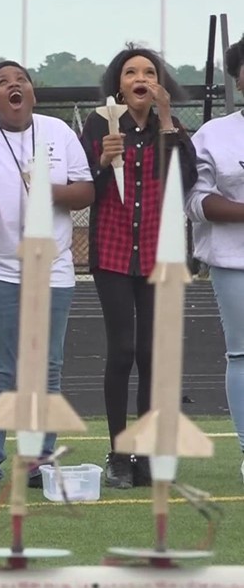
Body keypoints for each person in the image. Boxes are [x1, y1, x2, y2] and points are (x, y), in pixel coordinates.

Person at [0, 61, 95, 492]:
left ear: (33, 94)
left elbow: (86, 190)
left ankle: (39, 460)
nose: (14, 86)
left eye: (21, 81)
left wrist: (50, 191)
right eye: (2, 83)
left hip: (53, 268)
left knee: (45, 368)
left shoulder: (59, 133)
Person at [81, 45, 197, 489]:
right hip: (112, 251)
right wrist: (101, 159)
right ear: (118, 84)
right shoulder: (100, 123)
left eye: (149, 72)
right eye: (131, 72)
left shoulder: (171, 128)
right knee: (123, 349)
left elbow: (182, 183)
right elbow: (84, 184)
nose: (140, 78)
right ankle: (118, 452)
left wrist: (168, 122)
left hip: (156, 253)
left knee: (152, 355)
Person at [185, 32, 244, 486]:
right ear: (238, 80)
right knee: (242, 356)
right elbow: (196, 200)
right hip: (234, 263)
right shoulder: (214, 134)